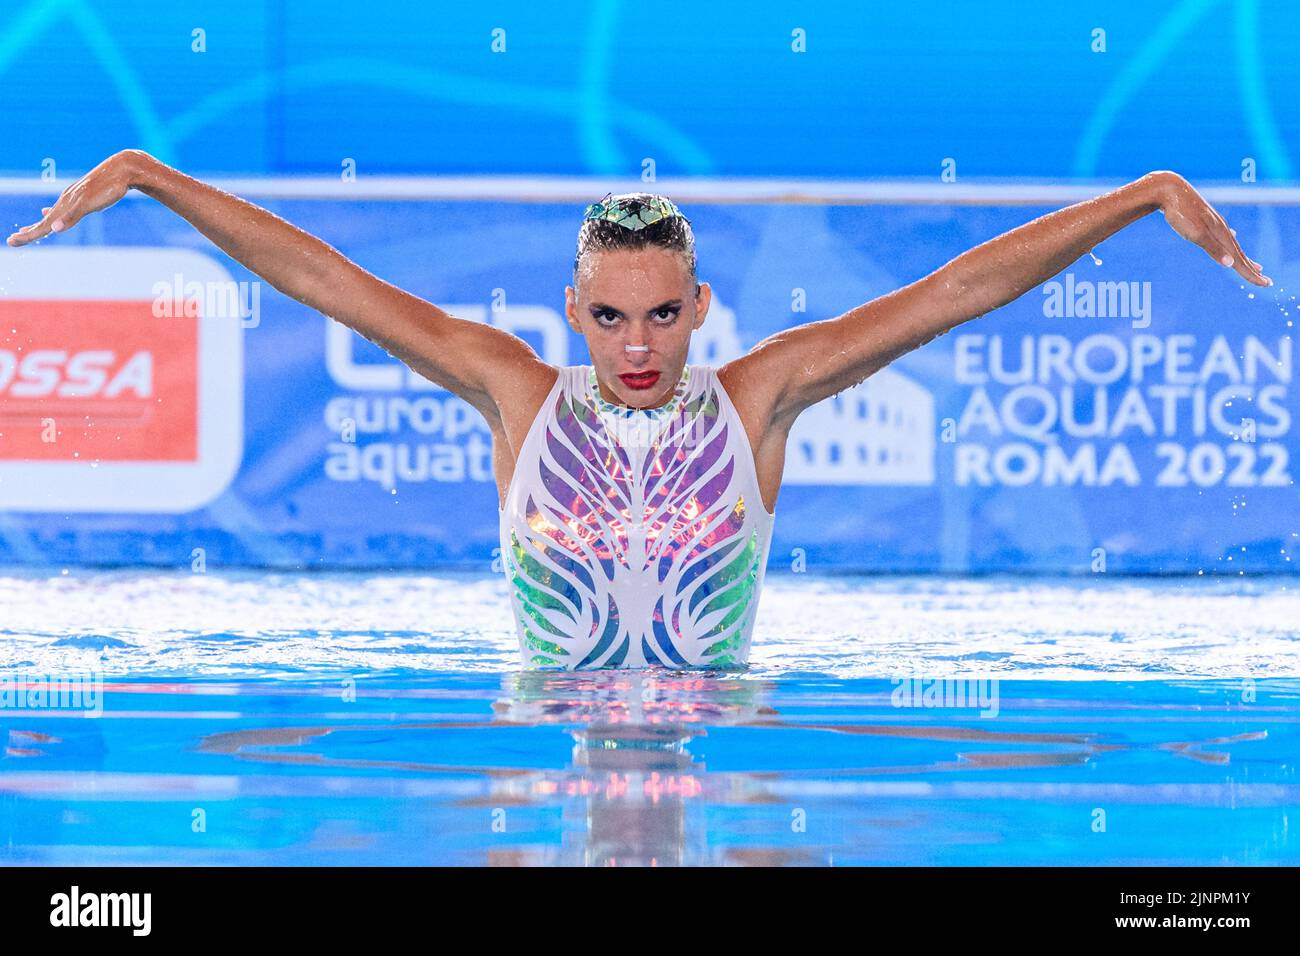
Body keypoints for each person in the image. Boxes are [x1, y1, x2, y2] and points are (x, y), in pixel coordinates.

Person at [6, 151, 1271, 669]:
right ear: (572, 312)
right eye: (609, 318)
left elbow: (956, 293)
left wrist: (1144, 193)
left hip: (729, 735)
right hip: (539, 735)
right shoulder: (511, 388)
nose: (637, 346)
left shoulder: (760, 395)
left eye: (662, 315)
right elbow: (326, 279)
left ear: (700, 305)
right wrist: (151, 179)